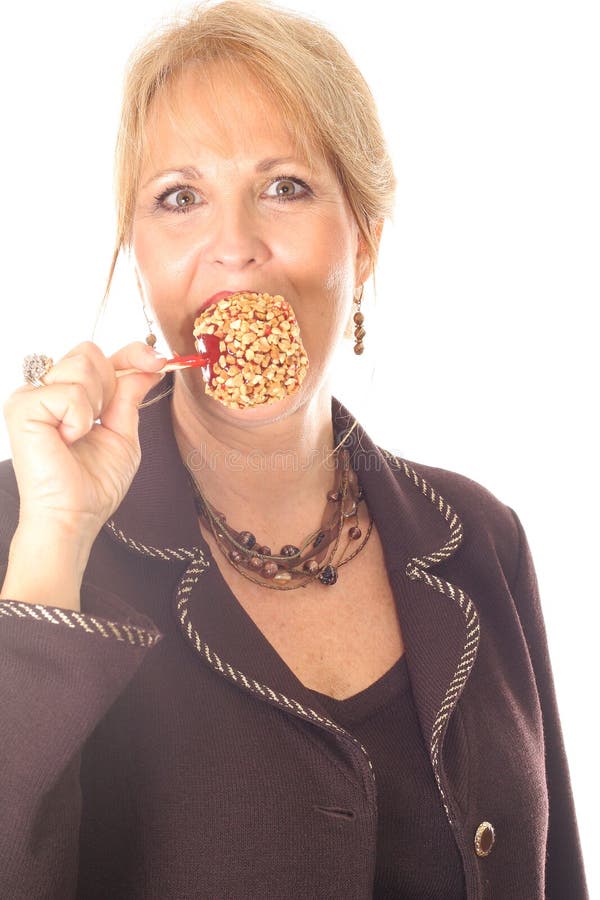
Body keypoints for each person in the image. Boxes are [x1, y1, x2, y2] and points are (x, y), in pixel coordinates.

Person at [0, 1, 588, 897]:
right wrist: (53, 543)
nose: (235, 247)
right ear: (141, 257)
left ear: (367, 241)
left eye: (286, 187)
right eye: (180, 198)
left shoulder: (479, 538)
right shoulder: (31, 530)